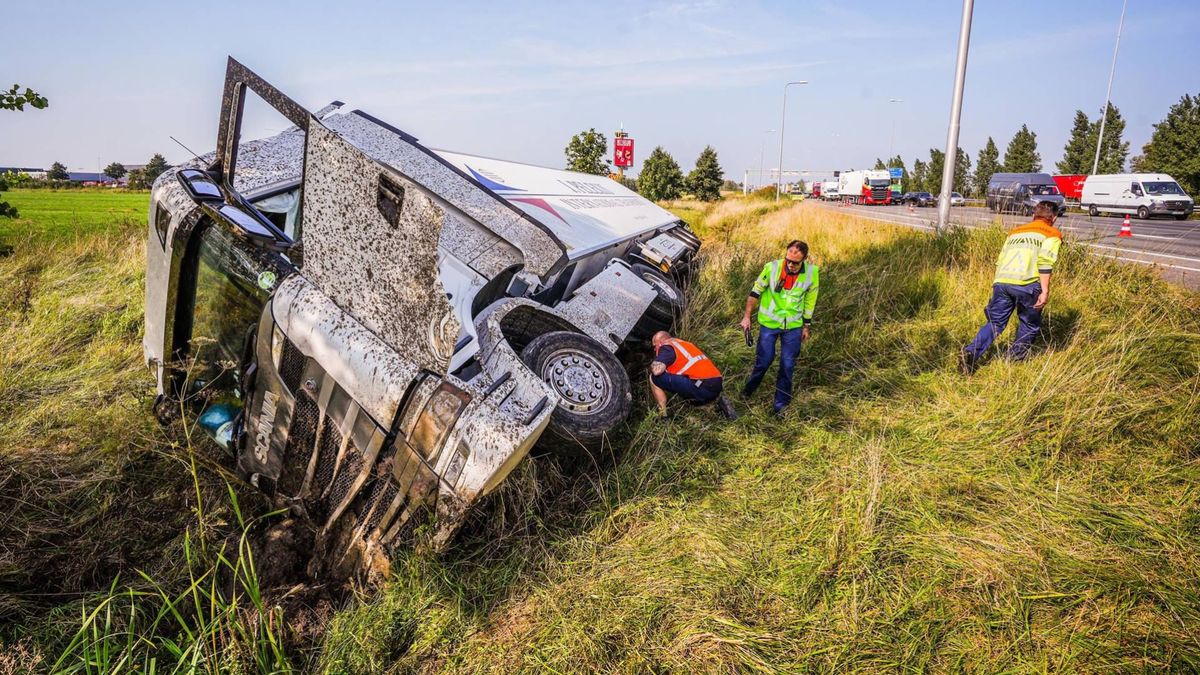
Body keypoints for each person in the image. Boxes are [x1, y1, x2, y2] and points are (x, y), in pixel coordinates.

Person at [961, 199, 1063, 372]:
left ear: (1034, 215)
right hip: (1028, 283)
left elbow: (1000, 259)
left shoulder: (1015, 232)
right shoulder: (1052, 233)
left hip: (1002, 282)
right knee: (1029, 324)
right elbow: (1045, 262)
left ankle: (971, 351)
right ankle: (1012, 364)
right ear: (1054, 218)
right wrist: (1045, 291)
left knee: (995, 322)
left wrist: (997, 284)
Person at [739, 240, 819, 415]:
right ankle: (748, 390)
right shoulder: (772, 268)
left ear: (804, 259)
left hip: (793, 326)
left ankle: (781, 405)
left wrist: (806, 326)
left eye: (795, 262)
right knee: (764, 361)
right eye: (788, 260)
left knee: (787, 364)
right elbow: (755, 292)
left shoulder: (812, 273)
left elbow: (810, 301)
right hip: (769, 324)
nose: (790, 265)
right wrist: (746, 317)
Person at [649, 331, 737, 420]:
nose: (655, 350)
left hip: (701, 386)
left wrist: (653, 364)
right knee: (690, 397)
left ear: (660, 342)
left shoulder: (666, 347)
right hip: (716, 385)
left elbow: (657, 371)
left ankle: (663, 416)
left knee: (654, 378)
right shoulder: (685, 344)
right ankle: (717, 404)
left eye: (655, 346)